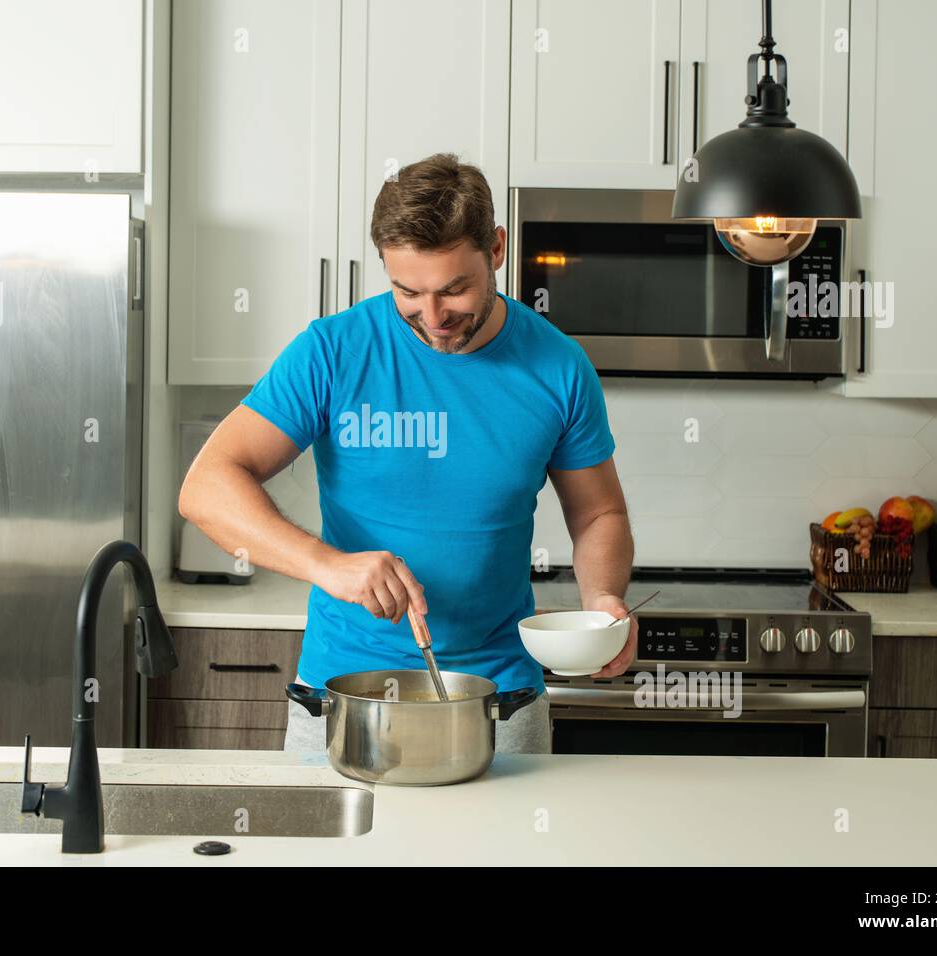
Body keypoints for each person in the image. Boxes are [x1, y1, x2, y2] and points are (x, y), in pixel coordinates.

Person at [178, 153, 637, 754]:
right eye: (408, 293)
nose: (434, 318)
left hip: (499, 704)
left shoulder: (558, 366)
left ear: (496, 249)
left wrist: (601, 597)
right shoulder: (332, 351)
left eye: (454, 289)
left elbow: (598, 514)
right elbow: (206, 485)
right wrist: (327, 565)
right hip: (346, 698)